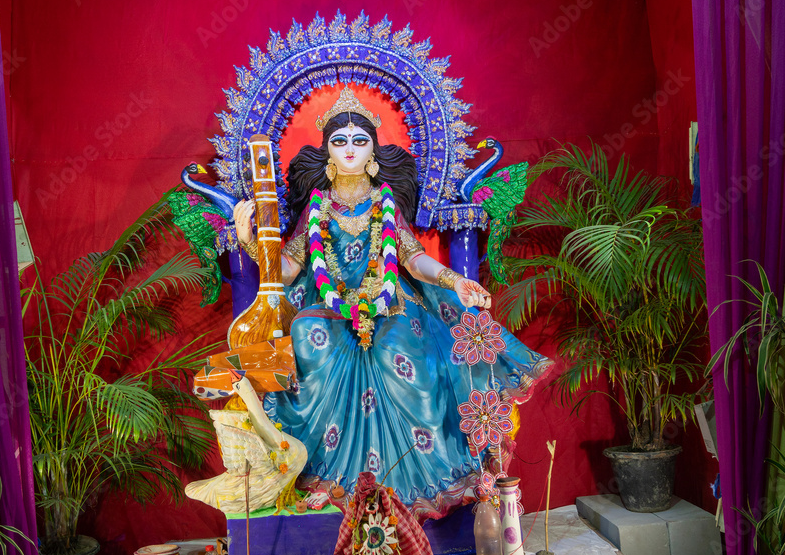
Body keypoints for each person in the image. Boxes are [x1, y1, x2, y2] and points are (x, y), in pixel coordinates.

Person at [233, 87, 551, 519]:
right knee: (307, 334)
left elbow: (412, 259)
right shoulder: (316, 207)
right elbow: (288, 269)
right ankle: (326, 478)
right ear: (326, 151)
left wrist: (455, 280)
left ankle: (413, 483)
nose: (349, 149)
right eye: (339, 141)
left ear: (374, 153)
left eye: (359, 141)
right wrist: (252, 245)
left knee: (404, 353)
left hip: (389, 305)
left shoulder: (385, 203)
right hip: (331, 308)